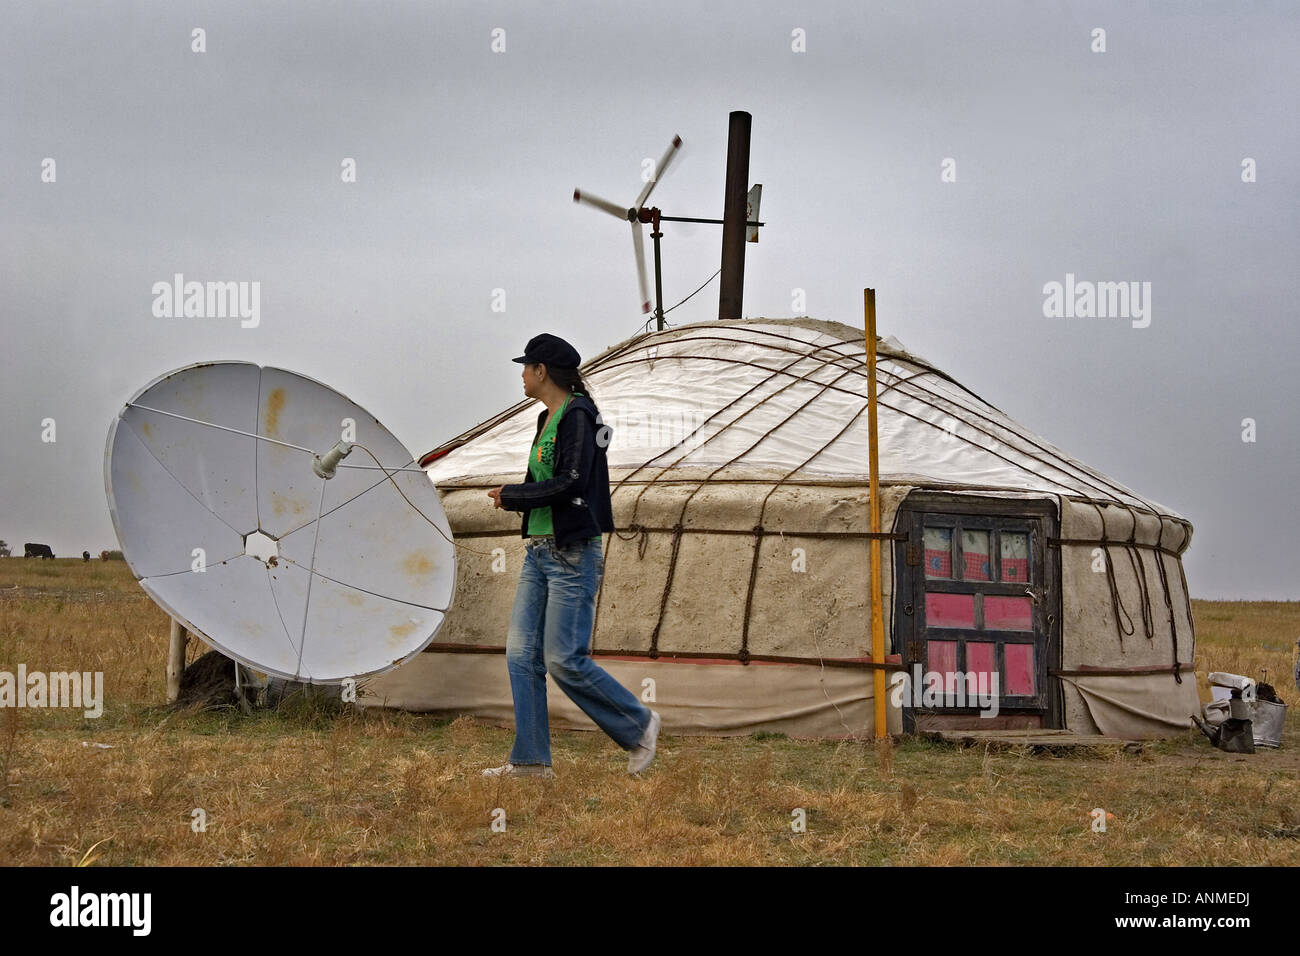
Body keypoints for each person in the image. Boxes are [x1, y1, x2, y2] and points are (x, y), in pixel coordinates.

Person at [483, 333, 660, 778]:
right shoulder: (544, 418)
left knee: (564, 658)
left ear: (542, 371)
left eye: (526, 367)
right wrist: (515, 497)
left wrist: (514, 495)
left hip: (572, 552)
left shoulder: (580, 415)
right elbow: (544, 479)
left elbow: (573, 481)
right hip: (539, 552)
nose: (522, 375)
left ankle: (639, 723)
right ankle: (530, 762)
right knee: (521, 655)